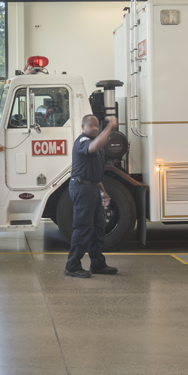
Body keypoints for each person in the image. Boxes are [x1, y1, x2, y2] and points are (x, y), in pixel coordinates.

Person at [64, 114, 120, 278]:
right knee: (83, 228)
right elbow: (92, 147)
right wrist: (110, 127)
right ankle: (72, 266)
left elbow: (94, 173)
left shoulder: (98, 148)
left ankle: (97, 264)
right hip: (81, 188)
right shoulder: (83, 142)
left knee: (97, 228)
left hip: (92, 188)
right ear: (83, 127)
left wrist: (103, 191)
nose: (95, 128)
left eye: (97, 126)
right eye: (91, 126)